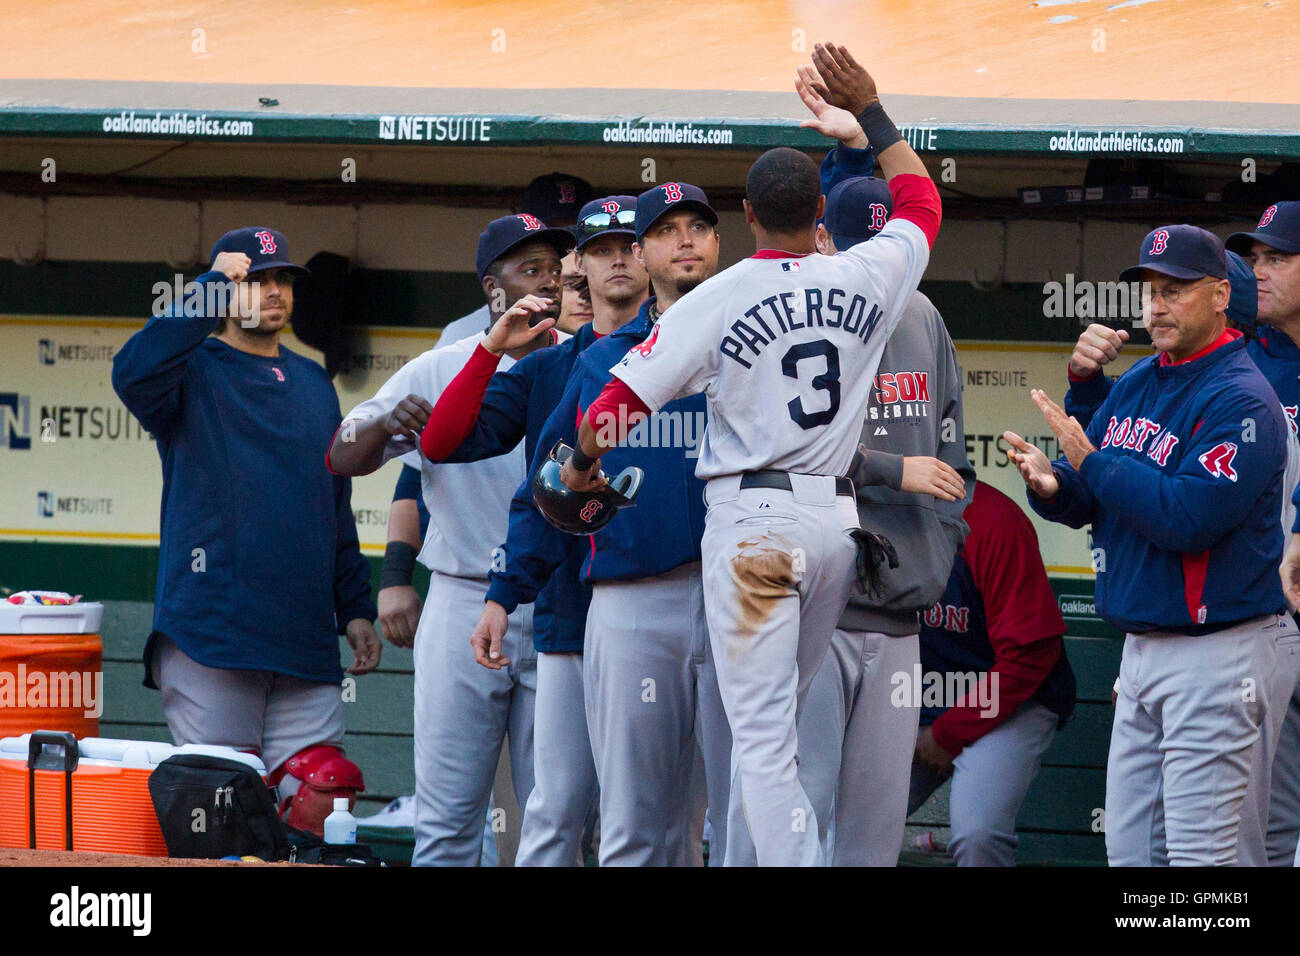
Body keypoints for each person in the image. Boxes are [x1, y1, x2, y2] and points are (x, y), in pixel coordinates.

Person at [561, 43, 942, 866]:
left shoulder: (723, 293)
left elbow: (614, 408)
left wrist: (582, 467)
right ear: (820, 211)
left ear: (747, 213)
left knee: (764, 740)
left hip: (754, 530)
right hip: (835, 528)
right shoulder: (870, 273)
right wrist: (872, 112)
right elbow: (920, 201)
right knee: (776, 728)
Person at [1007, 224, 1295, 866]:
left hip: (1219, 651)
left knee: (1204, 865)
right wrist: (1053, 484)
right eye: (1150, 291)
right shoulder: (1138, 381)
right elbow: (1089, 496)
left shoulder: (1243, 398)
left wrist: (1095, 462)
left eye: (1176, 290)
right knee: (1132, 859)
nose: (1156, 305)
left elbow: (1186, 517)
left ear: (1222, 294)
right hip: (1141, 652)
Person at [485, 181, 732, 865]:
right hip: (629, 597)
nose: (685, 241)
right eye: (666, 231)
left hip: (736, 592)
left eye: (699, 228)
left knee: (720, 815)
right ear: (646, 255)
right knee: (630, 823)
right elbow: (547, 482)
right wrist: (507, 588)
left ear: (719, 244)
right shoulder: (599, 361)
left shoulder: (747, 346)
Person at [111, 227, 379, 835]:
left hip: (304, 638)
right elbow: (131, 371)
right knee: (223, 812)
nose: (273, 291)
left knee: (320, 796)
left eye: (281, 279)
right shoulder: (193, 371)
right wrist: (209, 289)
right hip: (215, 634)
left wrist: (354, 607)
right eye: (254, 280)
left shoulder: (313, 383)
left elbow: (333, 502)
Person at [327, 212, 572, 865]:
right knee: (447, 821)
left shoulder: (584, 359)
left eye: (553, 269)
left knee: (551, 819)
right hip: (463, 595)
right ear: (493, 289)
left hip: (555, 602)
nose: (546, 284)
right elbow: (342, 456)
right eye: (529, 271)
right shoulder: (442, 367)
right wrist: (380, 432)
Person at [417, 195, 647, 865]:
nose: (617, 262)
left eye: (631, 246)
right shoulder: (549, 366)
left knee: (646, 819)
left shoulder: (683, 351)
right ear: (582, 271)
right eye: (599, 252)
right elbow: (442, 440)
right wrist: (492, 348)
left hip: (660, 603)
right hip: (566, 617)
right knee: (555, 814)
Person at [786, 71, 975, 866]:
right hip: (820, 615)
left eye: (886, 245)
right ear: (826, 240)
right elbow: (794, 454)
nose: (875, 261)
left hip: (899, 620)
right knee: (804, 818)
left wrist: (934, 557)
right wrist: (894, 472)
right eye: (853, 242)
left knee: (868, 836)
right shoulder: (807, 309)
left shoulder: (926, 318)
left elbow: (956, 459)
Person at [906, 480, 1076, 865]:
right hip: (917, 699)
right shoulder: (871, 511)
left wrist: (949, 734)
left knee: (978, 835)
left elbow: (1029, 660)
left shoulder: (991, 518)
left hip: (1013, 702)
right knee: (842, 817)